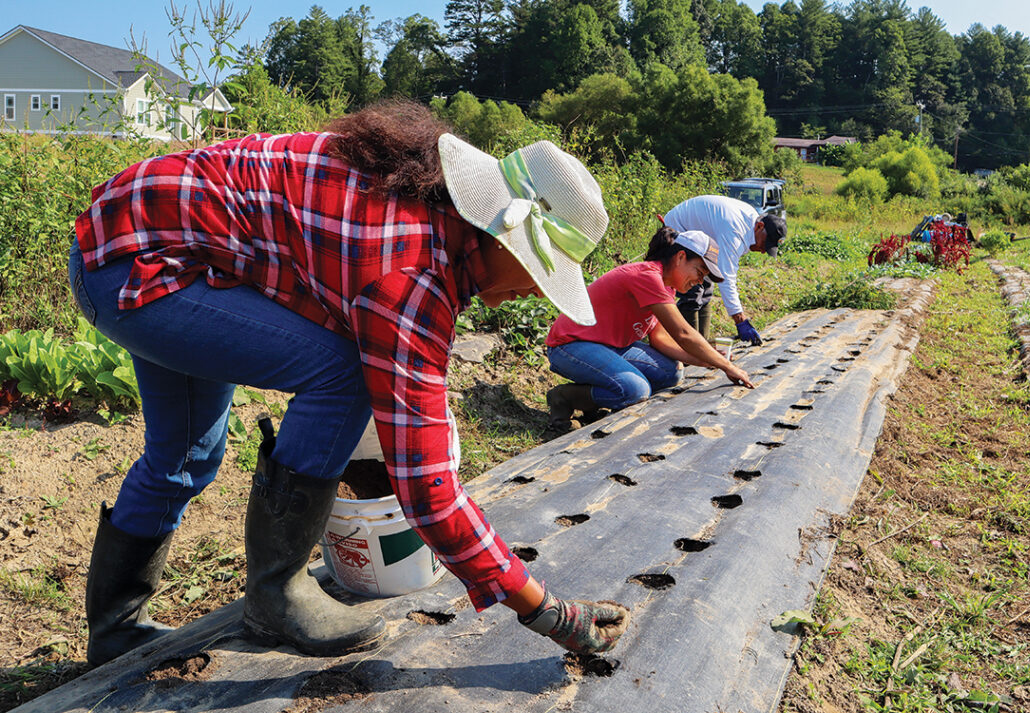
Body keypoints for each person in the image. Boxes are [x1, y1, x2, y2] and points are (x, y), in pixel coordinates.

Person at [70, 100, 629, 666]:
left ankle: (115, 631)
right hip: (137, 262)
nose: (538, 292)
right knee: (342, 371)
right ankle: (276, 593)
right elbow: (428, 492)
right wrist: (544, 607)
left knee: (185, 456)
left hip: (140, 234)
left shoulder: (425, 203)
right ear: (500, 234)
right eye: (540, 268)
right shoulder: (409, 272)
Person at [544, 227, 755, 433]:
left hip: (609, 346)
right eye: (699, 272)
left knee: (670, 373)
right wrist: (727, 366)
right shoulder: (648, 276)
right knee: (636, 390)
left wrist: (703, 360)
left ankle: (592, 400)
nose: (699, 282)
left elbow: (660, 338)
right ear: (681, 257)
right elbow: (683, 334)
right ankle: (565, 397)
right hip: (569, 345)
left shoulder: (667, 286)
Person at [663, 195, 787, 344]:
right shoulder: (734, 231)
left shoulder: (749, 222)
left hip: (703, 236)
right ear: (760, 226)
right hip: (679, 226)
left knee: (706, 288)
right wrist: (740, 320)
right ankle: (688, 345)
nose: (762, 251)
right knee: (692, 289)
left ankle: (702, 343)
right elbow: (726, 277)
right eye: (764, 244)